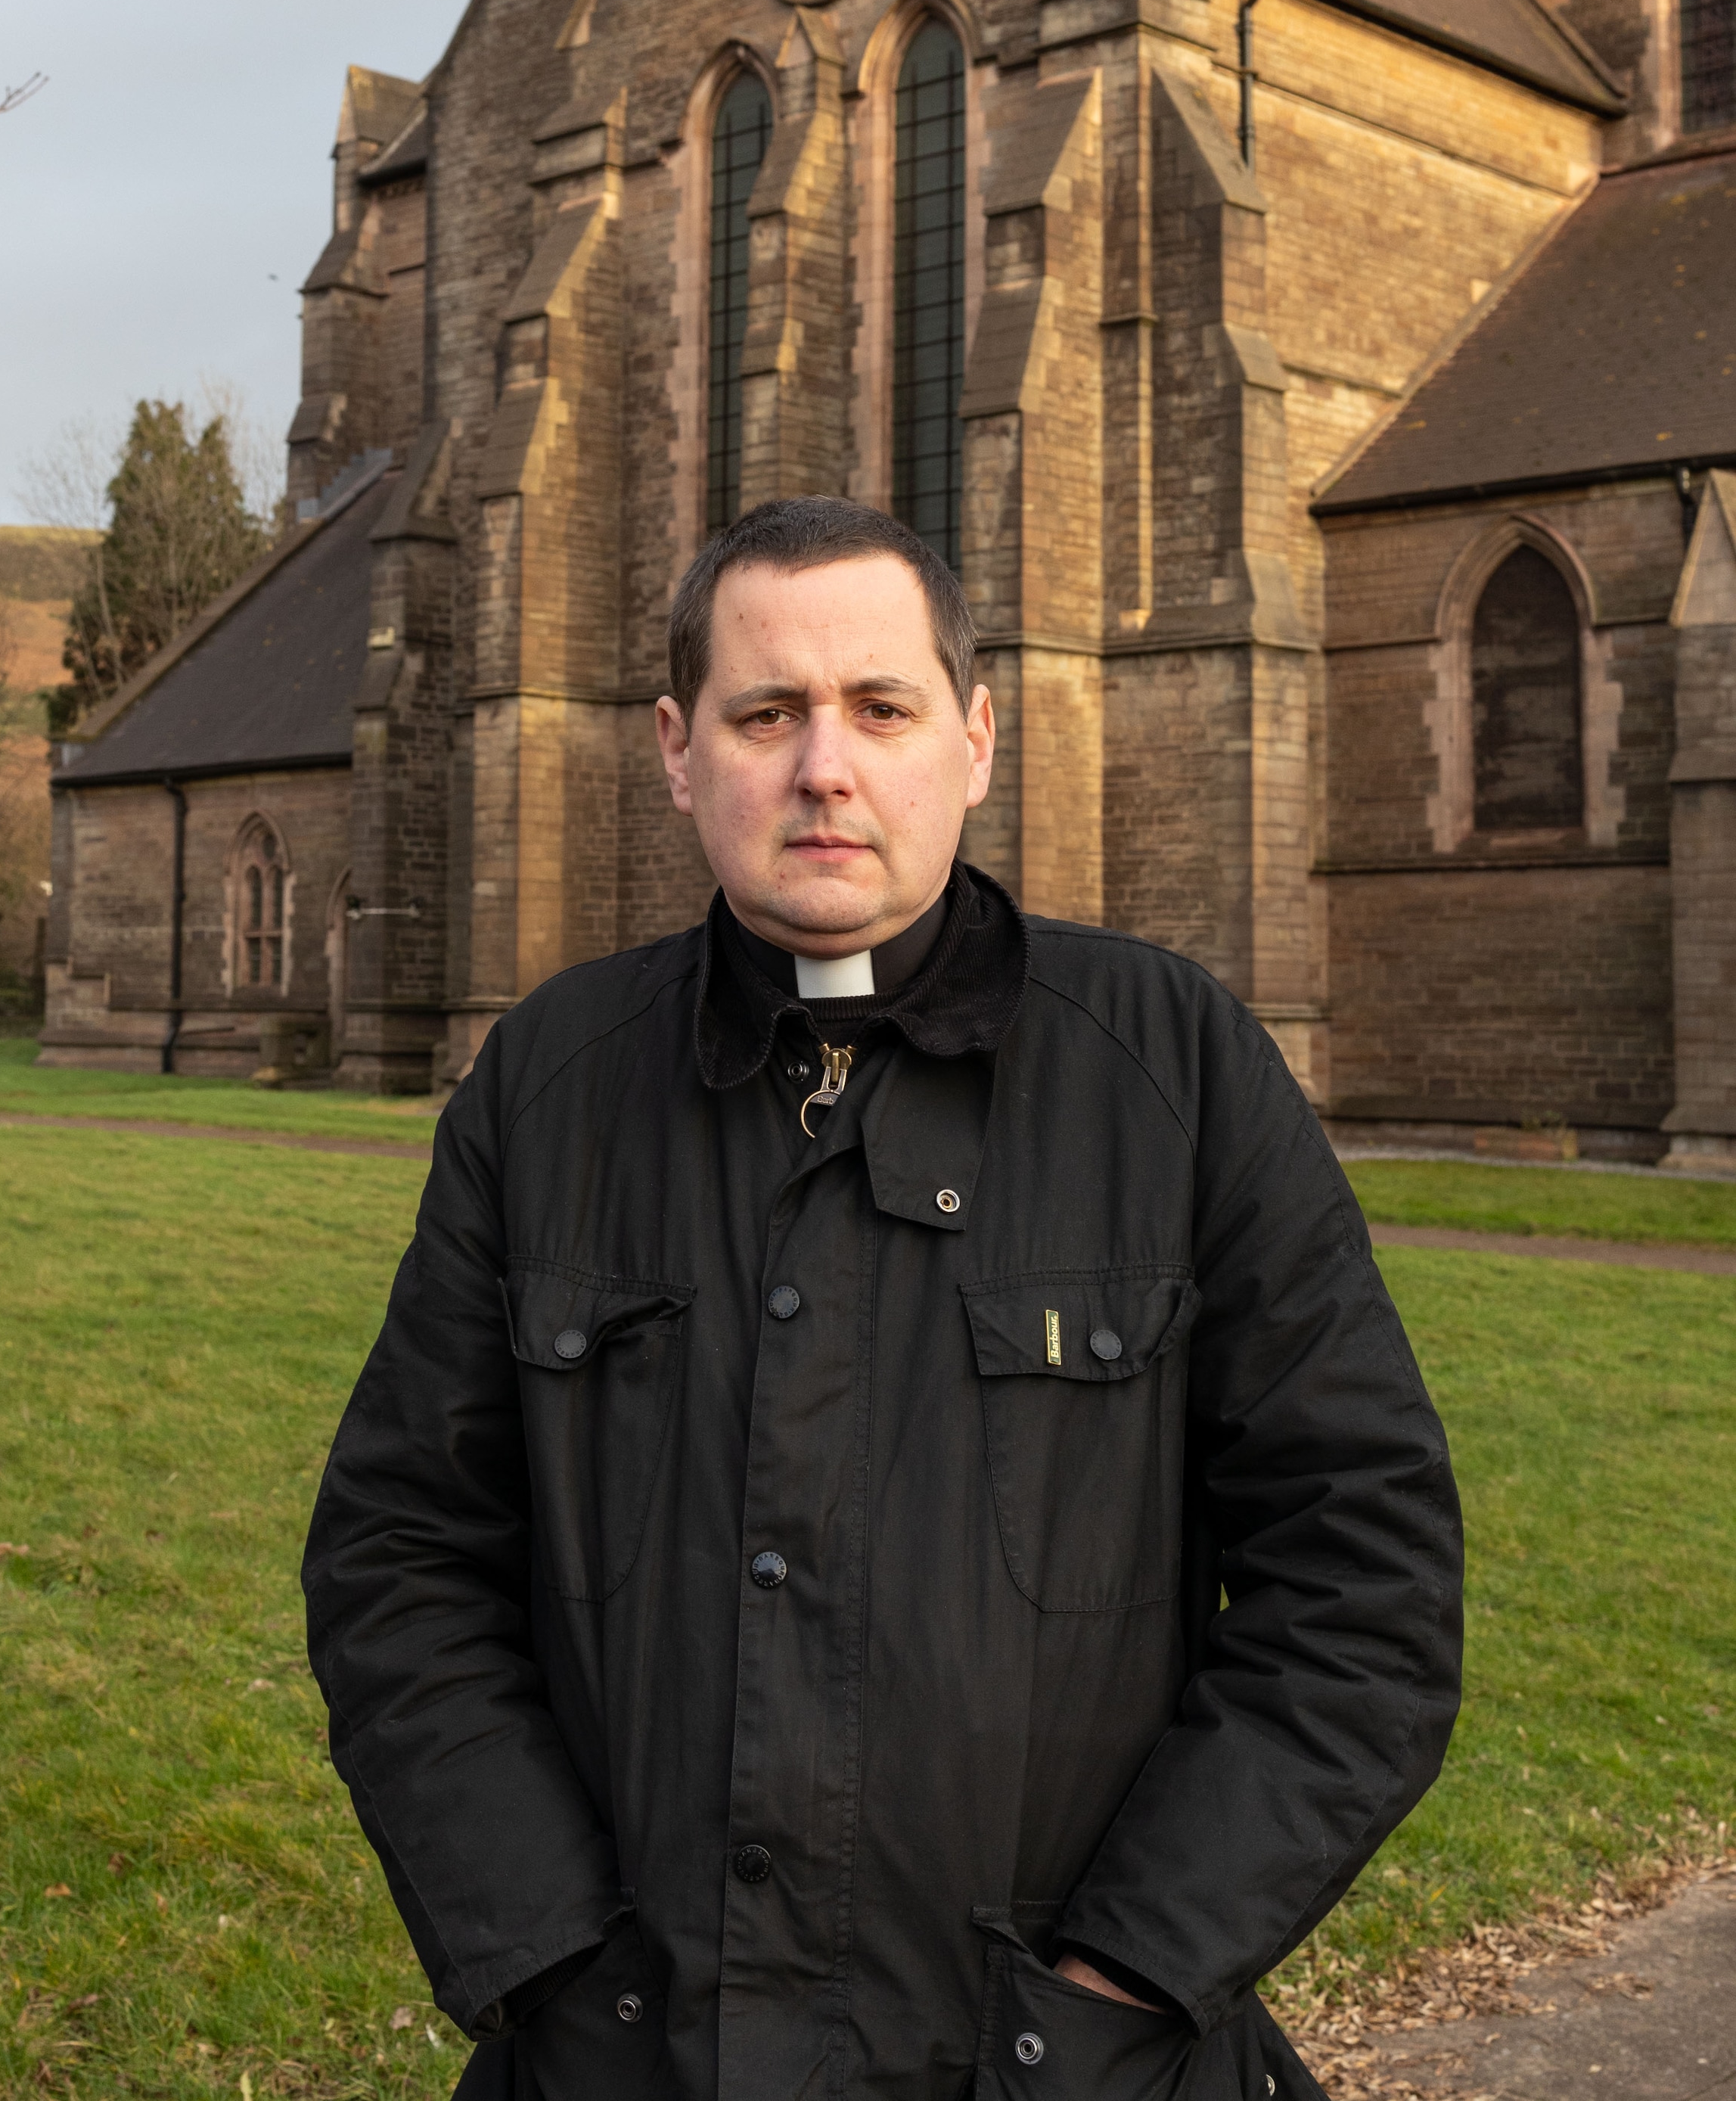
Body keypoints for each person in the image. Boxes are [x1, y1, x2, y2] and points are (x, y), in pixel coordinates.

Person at [304, 496, 1462, 2100]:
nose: (822, 769)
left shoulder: (1171, 1070)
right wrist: (561, 1973)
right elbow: (400, 1561)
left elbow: (1363, 1586)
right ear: (674, 745)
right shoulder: (551, 1085)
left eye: (881, 708)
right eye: (765, 713)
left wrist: (1119, 1986)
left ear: (975, 739)